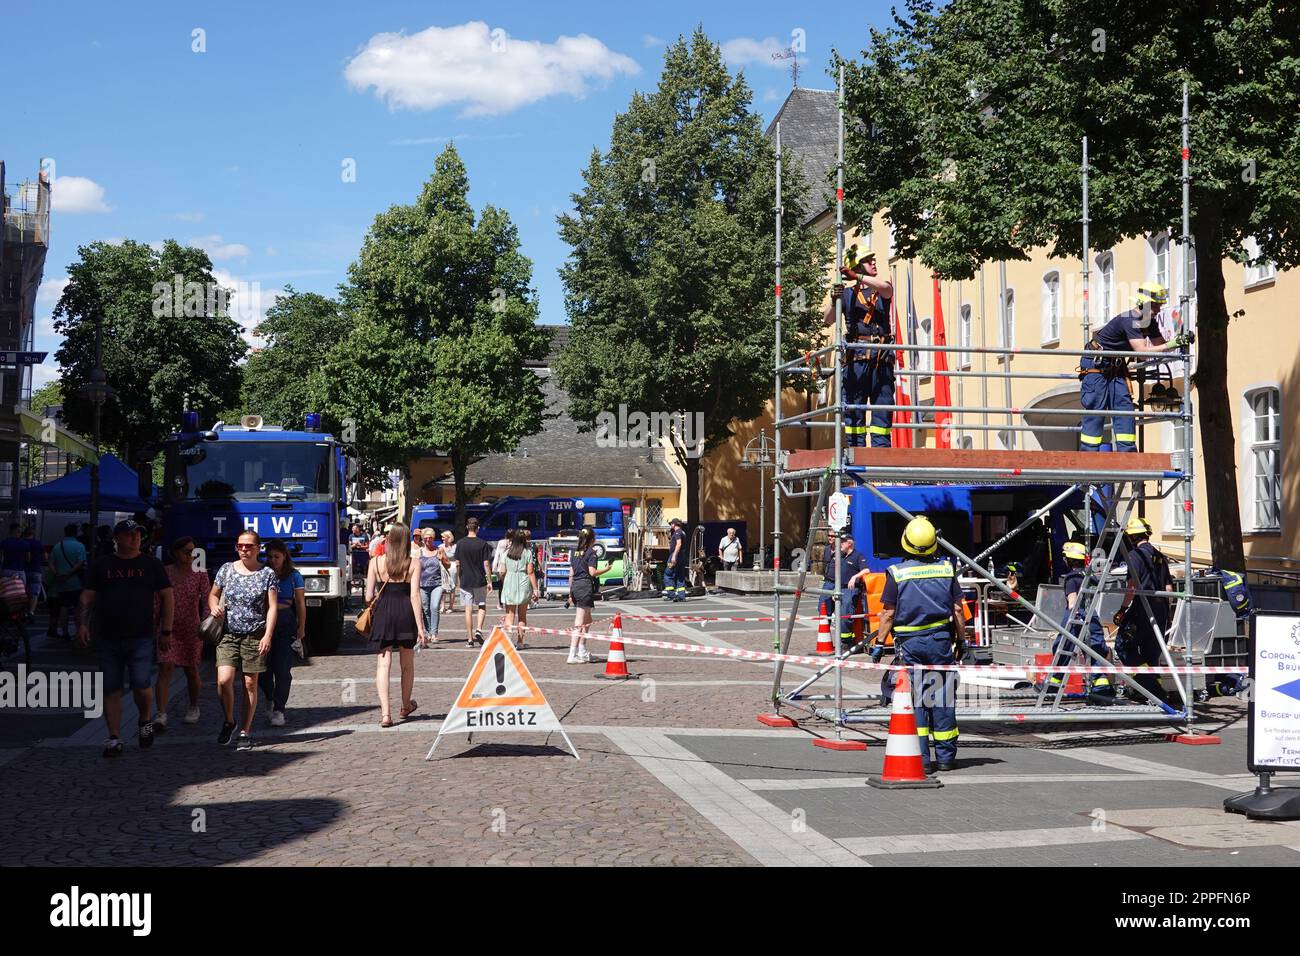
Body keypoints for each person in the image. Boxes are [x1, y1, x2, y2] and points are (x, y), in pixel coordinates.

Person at [874, 516, 967, 774]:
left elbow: (888, 615)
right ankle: (947, 758)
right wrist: (962, 640)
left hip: (910, 645)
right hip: (940, 642)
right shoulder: (946, 569)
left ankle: (922, 759)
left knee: (916, 701)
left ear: (907, 542)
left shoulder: (897, 573)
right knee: (942, 697)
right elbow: (958, 610)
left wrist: (880, 644)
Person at [76, 519, 174, 758]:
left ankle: (144, 719)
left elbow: (167, 596)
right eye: (129, 534)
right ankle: (114, 737)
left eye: (138, 534)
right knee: (111, 688)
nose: (135, 538)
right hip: (107, 636)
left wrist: (166, 630)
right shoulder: (103, 565)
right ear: (117, 539)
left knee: (141, 684)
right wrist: (81, 624)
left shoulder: (151, 564)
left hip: (140, 635)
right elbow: (87, 597)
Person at [1079, 283, 1187, 452]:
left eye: (1160, 305)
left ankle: (1128, 458)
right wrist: (1171, 344)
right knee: (1095, 410)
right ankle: (1088, 461)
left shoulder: (1149, 322)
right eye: (1155, 305)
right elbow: (1143, 353)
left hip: (1116, 367)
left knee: (1124, 408)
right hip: (1096, 365)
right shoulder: (1130, 320)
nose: (1159, 309)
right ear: (1144, 304)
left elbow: (1161, 346)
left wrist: (1179, 341)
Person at [209, 530, 279, 751]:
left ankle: (245, 731)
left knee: (250, 683)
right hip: (228, 634)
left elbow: (273, 607)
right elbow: (213, 594)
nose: (244, 550)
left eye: (249, 546)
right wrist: (214, 606)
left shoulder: (267, 573)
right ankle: (229, 721)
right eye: (240, 546)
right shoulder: (226, 570)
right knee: (223, 680)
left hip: (254, 634)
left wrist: (268, 635)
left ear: (258, 548)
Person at [823, 249, 895, 447]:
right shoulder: (847, 295)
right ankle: (858, 468)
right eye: (867, 260)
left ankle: (881, 467)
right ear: (855, 266)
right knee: (854, 414)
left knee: (882, 414)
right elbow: (827, 320)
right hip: (856, 361)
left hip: (881, 360)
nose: (874, 263)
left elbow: (888, 289)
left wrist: (859, 276)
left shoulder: (880, 290)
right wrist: (833, 299)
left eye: (873, 259)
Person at [365, 522, 425, 727]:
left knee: (383, 664)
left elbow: (368, 596)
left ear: (389, 540)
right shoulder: (414, 563)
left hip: (383, 613)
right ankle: (405, 705)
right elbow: (415, 595)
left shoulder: (375, 562)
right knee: (407, 665)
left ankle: (385, 714)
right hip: (405, 613)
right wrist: (421, 628)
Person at [1113, 516, 1175, 704]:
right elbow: (1169, 590)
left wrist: (1122, 610)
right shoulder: (1160, 556)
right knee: (1151, 654)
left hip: (1142, 610)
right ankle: (1151, 692)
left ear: (1131, 538)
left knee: (1123, 646)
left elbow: (1132, 586)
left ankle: (1151, 688)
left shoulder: (1135, 556)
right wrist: (1168, 615)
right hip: (1161, 610)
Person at [1043, 541, 1114, 703]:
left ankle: (1053, 684)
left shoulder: (1071, 578)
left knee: (1062, 647)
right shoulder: (1089, 576)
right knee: (1096, 649)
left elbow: (1073, 603)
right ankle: (1101, 687)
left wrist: (1073, 617)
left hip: (1076, 616)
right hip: (1092, 616)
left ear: (1068, 560)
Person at [153, 537, 211, 730]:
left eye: (193, 551)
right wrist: (155, 626)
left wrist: (205, 624)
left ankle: (194, 706)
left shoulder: (200, 573)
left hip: (192, 628)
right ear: (175, 552)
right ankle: (161, 714)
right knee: (165, 667)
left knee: (191, 669)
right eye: (186, 551)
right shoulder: (165, 572)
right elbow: (157, 601)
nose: (190, 555)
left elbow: (207, 599)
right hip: (168, 627)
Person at [260, 539, 305, 726]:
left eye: (276, 557)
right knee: (262, 670)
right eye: (269, 557)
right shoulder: (261, 574)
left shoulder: (294, 575)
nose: (272, 560)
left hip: (285, 620)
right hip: (263, 622)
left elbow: (300, 603)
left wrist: (301, 626)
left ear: (285, 556)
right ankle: (270, 696)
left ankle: (279, 709)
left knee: (282, 670)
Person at [568, 528, 613, 663]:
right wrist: (607, 569)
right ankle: (572, 654)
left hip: (576, 585)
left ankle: (582, 650)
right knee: (580, 621)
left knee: (587, 619)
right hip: (585, 586)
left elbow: (571, 573)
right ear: (592, 539)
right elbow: (592, 572)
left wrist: (571, 592)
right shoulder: (591, 553)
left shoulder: (575, 552)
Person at [820, 533, 868, 653]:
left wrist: (854, 577)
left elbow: (866, 570)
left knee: (845, 614)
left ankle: (846, 642)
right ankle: (838, 640)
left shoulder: (858, 555)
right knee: (826, 610)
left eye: (842, 542)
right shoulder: (840, 555)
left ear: (849, 543)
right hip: (838, 588)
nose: (839, 544)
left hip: (850, 589)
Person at [453, 517, 493, 646]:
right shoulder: (483, 544)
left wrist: (459, 577)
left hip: (465, 579)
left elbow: (457, 563)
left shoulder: (460, 543)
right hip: (479, 579)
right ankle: (479, 629)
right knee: (481, 605)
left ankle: (470, 639)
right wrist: (489, 580)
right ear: (478, 528)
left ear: (467, 527)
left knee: (468, 609)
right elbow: (486, 564)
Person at [48, 523, 88, 640]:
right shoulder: (79, 546)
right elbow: (81, 562)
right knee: (77, 608)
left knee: (63, 607)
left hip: (60, 582)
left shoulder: (57, 546)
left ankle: (65, 633)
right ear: (76, 533)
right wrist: (69, 573)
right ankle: (78, 632)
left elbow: (50, 562)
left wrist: (57, 573)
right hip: (75, 582)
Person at [501, 530, 538, 649]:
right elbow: (530, 572)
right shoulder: (527, 553)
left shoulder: (506, 552)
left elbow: (502, 571)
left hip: (509, 581)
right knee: (522, 616)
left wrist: (504, 580)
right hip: (523, 582)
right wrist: (535, 589)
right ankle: (520, 642)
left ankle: (507, 641)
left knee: (509, 614)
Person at [416, 528, 445, 647]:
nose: (428, 539)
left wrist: (442, 559)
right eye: (426, 537)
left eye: (431, 537)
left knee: (434, 607)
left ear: (433, 538)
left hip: (437, 584)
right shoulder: (419, 552)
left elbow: (448, 564)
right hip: (422, 584)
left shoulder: (439, 550)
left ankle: (434, 633)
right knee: (425, 609)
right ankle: (427, 632)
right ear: (423, 539)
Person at [663, 517, 689, 602]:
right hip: (682, 557)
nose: (670, 525)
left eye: (671, 524)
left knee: (668, 575)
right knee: (680, 576)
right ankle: (681, 597)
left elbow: (679, 544)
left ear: (674, 524)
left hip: (675, 557)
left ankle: (671, 595)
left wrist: (674, 556)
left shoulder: (677, 533)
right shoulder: (683, 532)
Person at [23, 526, 44, 620]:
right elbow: (45, 556)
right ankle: (31, 611)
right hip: (36, 570)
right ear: (33, 534)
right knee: (34, 593)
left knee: (23, 593)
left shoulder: (22, 543)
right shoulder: (38, 543)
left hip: (23, 570)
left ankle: (23, 612)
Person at [438, 530, 457, 614]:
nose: (442, 538)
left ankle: (451, 606)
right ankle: (442, 606)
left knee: (452, 587)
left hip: (453, 567)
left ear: (448, 537)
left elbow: (457, 558)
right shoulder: (440, 546)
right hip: (443, 567)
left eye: (443, 537)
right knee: (443, 587)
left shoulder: (455, 546)